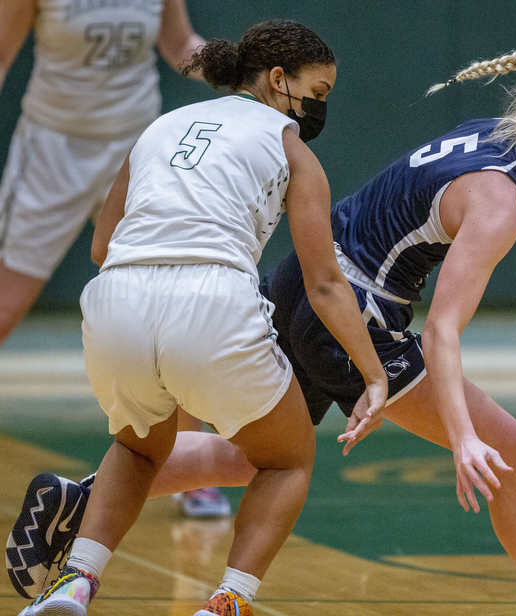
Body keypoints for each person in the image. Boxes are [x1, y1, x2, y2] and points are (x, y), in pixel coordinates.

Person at [10, 25, 516, 616]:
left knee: (252, 456)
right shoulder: (497, 202)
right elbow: (441, 331)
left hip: (302, 278)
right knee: (513, 454)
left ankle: (79, 499)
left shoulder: (508, 133)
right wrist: (464, 437)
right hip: (352, 310)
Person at [11, 19, 388, 616]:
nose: (320, 108)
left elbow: (101, 246)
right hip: (212, 299)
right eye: (317, 93)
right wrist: (373, 374)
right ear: (276, 78)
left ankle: (74, 584)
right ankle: (228, 601)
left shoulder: (160, 127)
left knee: (138, 450)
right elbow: (323, 283)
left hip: (116, 301)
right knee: (287, 457)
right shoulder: (289, 145)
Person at [0, 0, 236, 520]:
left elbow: (179, 45)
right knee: (6, 308)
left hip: (136, 150)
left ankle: (188, 469)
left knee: (170, 300)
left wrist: (233, 69)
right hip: (51, 149)